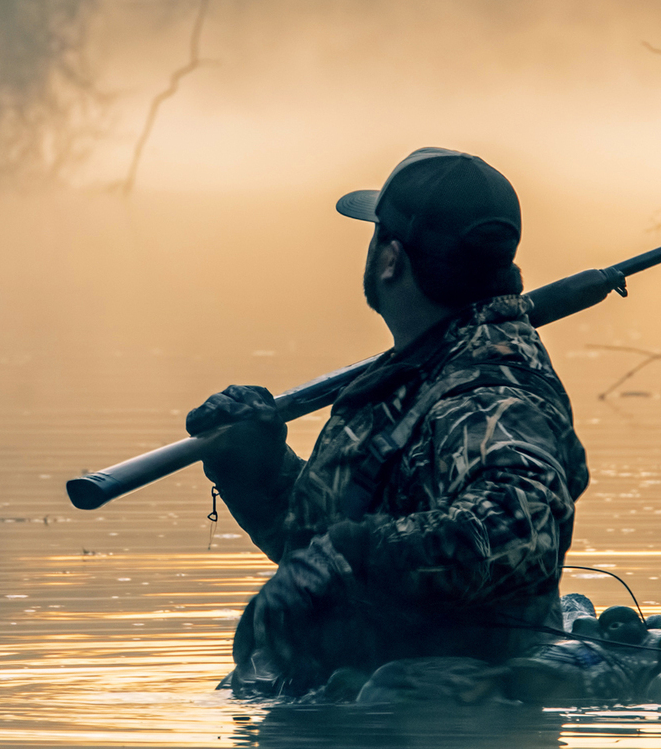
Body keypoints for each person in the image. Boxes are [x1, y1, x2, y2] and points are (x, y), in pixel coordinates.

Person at [187, 147, 589, 697]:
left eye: (374, 234)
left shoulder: (491, 394)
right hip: (355, 744)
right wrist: (257, 471)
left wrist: (348, 557)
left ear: (391, 259)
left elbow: (518, 530)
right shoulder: (421, 371)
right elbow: (329, 541)